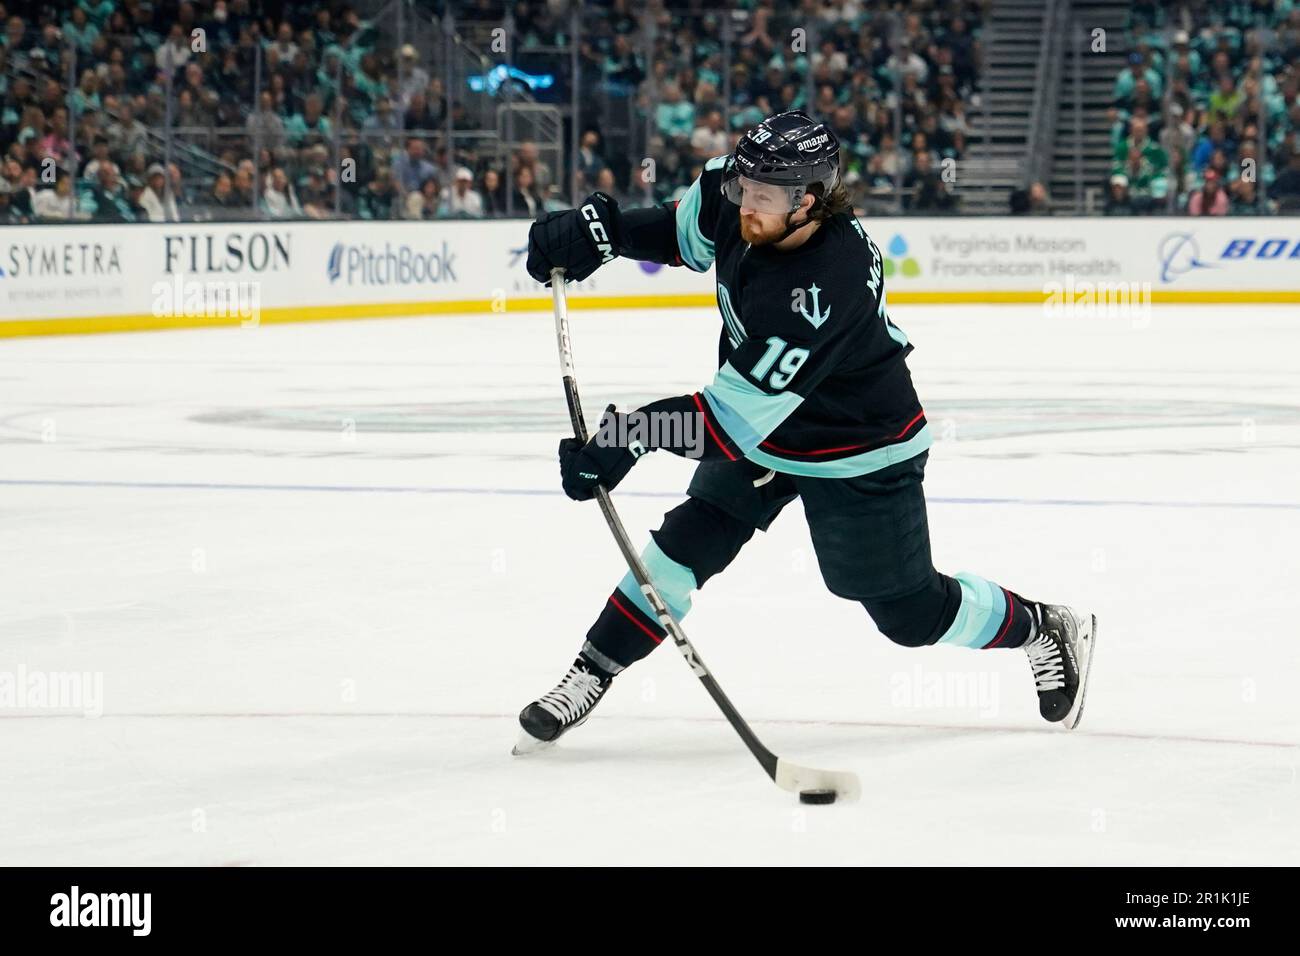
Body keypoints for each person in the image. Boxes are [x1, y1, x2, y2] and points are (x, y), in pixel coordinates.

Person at [515, 111, 1096, 752]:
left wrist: (629, 434)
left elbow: (724, 423)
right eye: (742, 186)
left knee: (908, 615)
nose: (744, 205)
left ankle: (1043, 627)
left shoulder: (826, 284)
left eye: (763, 197)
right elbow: (682, 234)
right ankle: (590, 672)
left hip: (858, 445)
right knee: (683, 546)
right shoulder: (738, 194)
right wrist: (602, 235)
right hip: (764, 433)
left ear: (809, 202)